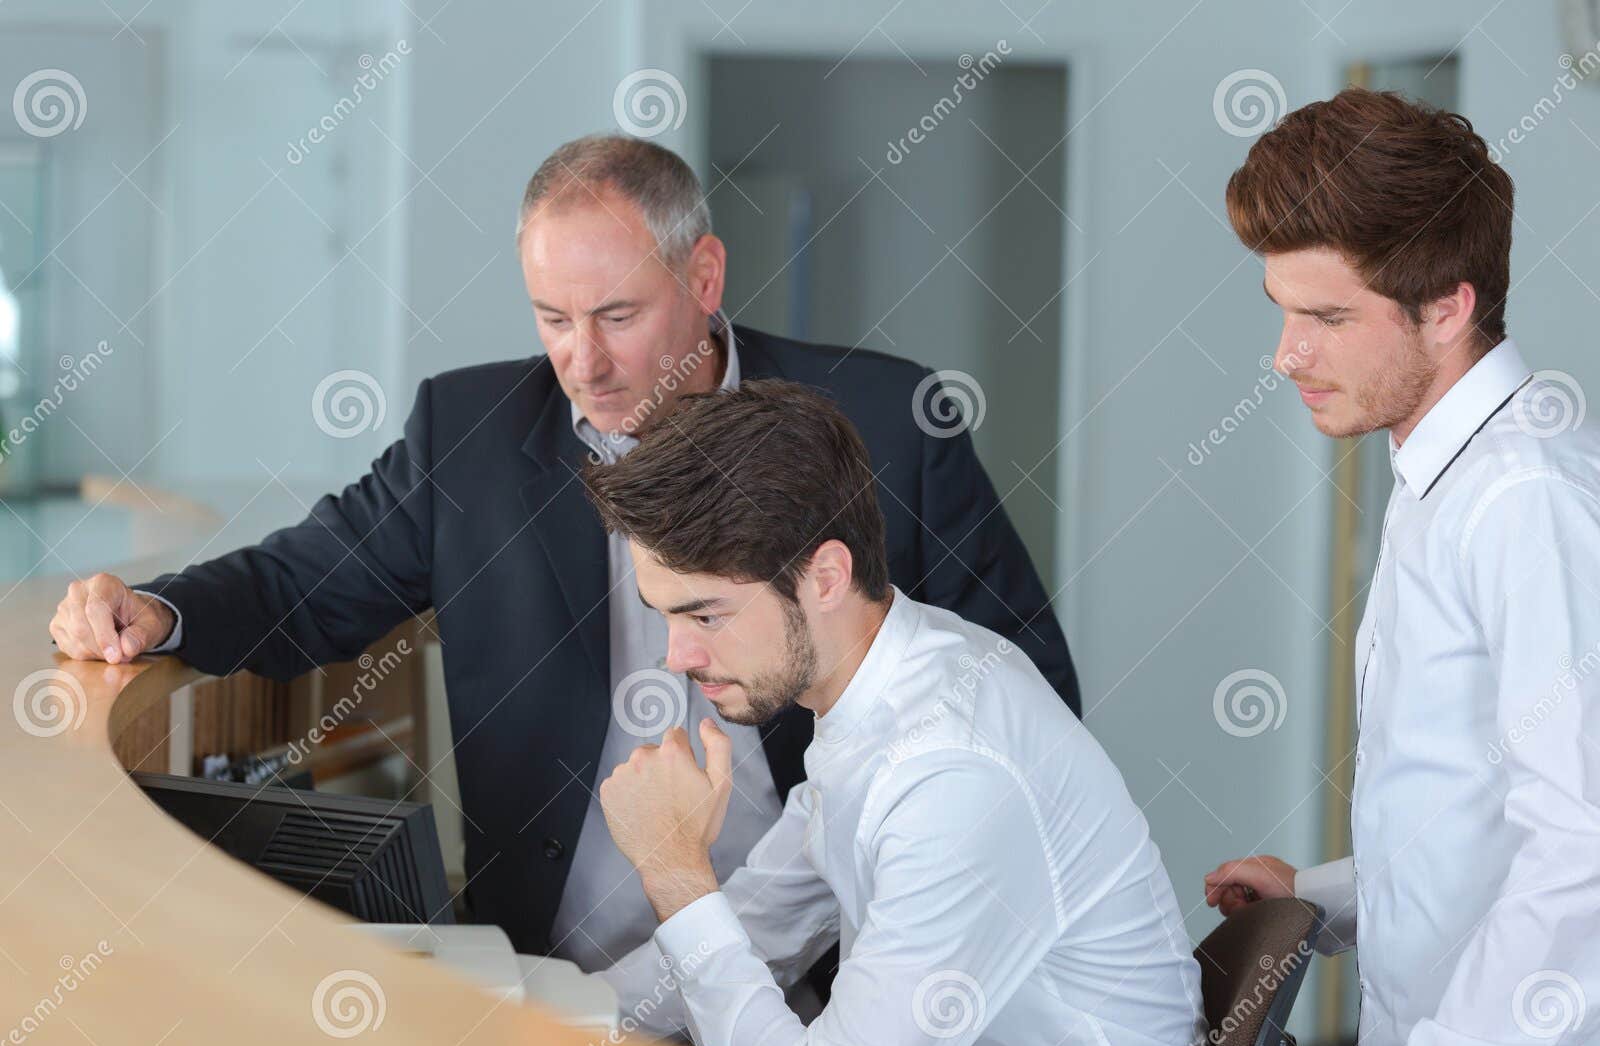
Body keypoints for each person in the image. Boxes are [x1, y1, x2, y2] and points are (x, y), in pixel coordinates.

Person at [45, 134, 1078, 971]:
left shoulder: (889, 423)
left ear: (704, 275)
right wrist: (155, 611)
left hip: (837, 969)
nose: (582, 361)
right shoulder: (471, 433)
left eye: (619, 316)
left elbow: (1022, 682)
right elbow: (301, 582)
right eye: (553, 318)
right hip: (554, 970)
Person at [585, 379, 1204, 1046]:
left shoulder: (950, 771)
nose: (678, 657)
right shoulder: (886, 683)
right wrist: (542, 1015)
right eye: (663, 613)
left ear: (824, 577)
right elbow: (765, 921)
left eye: (705, 615)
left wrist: (674, 872)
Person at [1203, 88, 1600, 1046]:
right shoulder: (1439, 472)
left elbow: (1581, 849)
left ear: (1445, 308)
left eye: (1327, 317)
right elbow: (1474, 812)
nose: (1285, 355)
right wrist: (1323, 898)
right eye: (1282, 312)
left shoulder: (1528, 498)